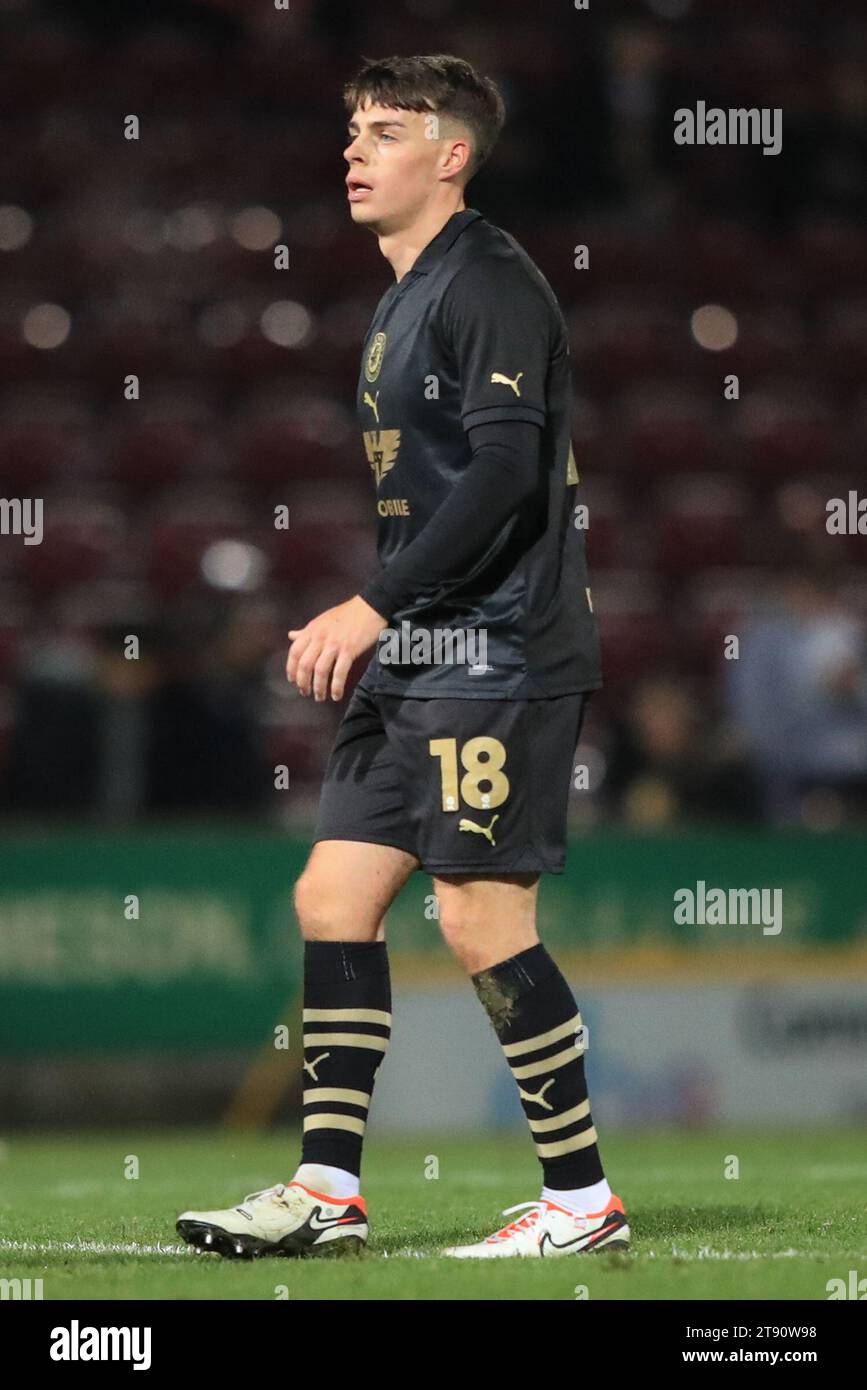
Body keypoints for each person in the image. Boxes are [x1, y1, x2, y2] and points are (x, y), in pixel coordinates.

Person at [177, 53, 629, 1260]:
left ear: (454, 154)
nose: (356, 149)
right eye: (353, 129)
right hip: (422, 650)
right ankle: (327, 1191)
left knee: (481, 916)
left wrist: (370, 607)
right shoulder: (403, 294)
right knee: (332, 893)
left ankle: (581, 1201)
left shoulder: (490, 282)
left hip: (496, 647)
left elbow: (498, 472)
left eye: (387, 130)